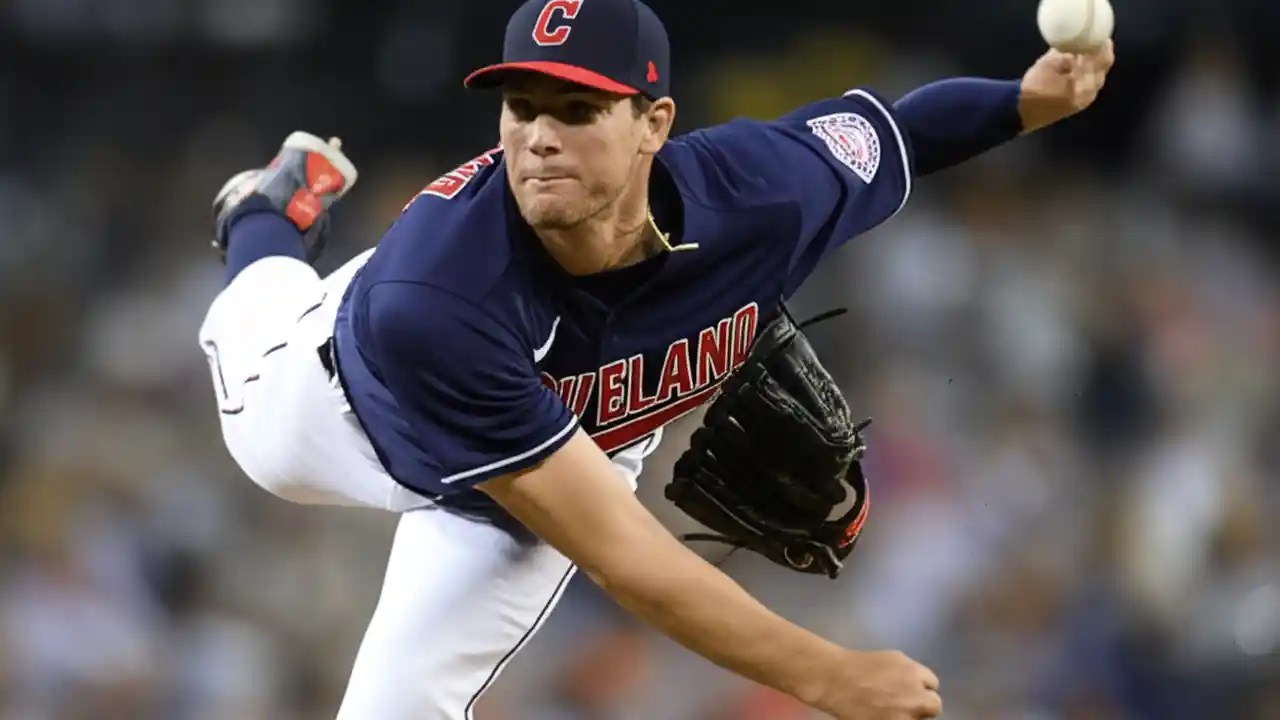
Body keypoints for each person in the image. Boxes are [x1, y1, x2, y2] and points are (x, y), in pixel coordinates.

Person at [197, 0, 1114, 717]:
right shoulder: (436, 303)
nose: (539, 135)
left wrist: (1034, 100)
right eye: (521, 108)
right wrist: (828, 675)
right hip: (342, 409)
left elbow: (905, 132)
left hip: (547, 468)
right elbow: (623, 556)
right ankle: (267, 214)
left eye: (578, 107)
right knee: (257, 320)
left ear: (654, 121)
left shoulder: (765, 192)